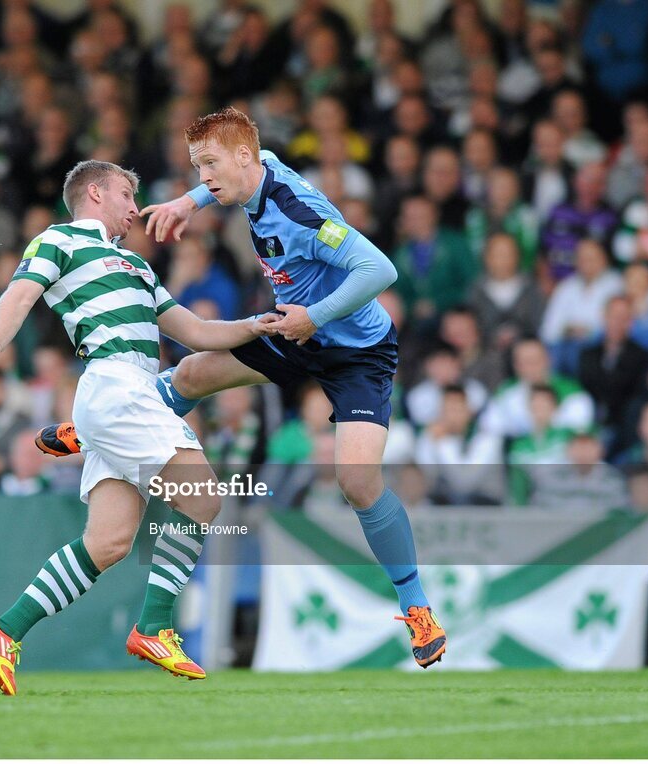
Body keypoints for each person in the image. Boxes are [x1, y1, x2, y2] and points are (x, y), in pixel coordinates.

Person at [37, 108, 447, 669]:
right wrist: (187, 203)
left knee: (357, 482)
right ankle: (90, 430)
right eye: (196, 166)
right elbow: (266, 158)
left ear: (243, 158)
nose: (203, 176)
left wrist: (315, 316)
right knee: (192, 373)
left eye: (209, 165)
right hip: (294, 329)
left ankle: (417, 608)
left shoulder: (298, 211)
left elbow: (378, 270)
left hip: (355, 350)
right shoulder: (257, 171)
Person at [0, 159, 279, 695]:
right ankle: (154, 627)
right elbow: (20, 294)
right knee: (203, 497)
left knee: (108, 543)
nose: (136, 208)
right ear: (94, 193)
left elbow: (197, 332)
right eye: (127, 196)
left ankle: (5, 629)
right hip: (115, 387)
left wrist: (256, 325)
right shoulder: (59, 240)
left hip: (128, 393)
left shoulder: (136, 265)